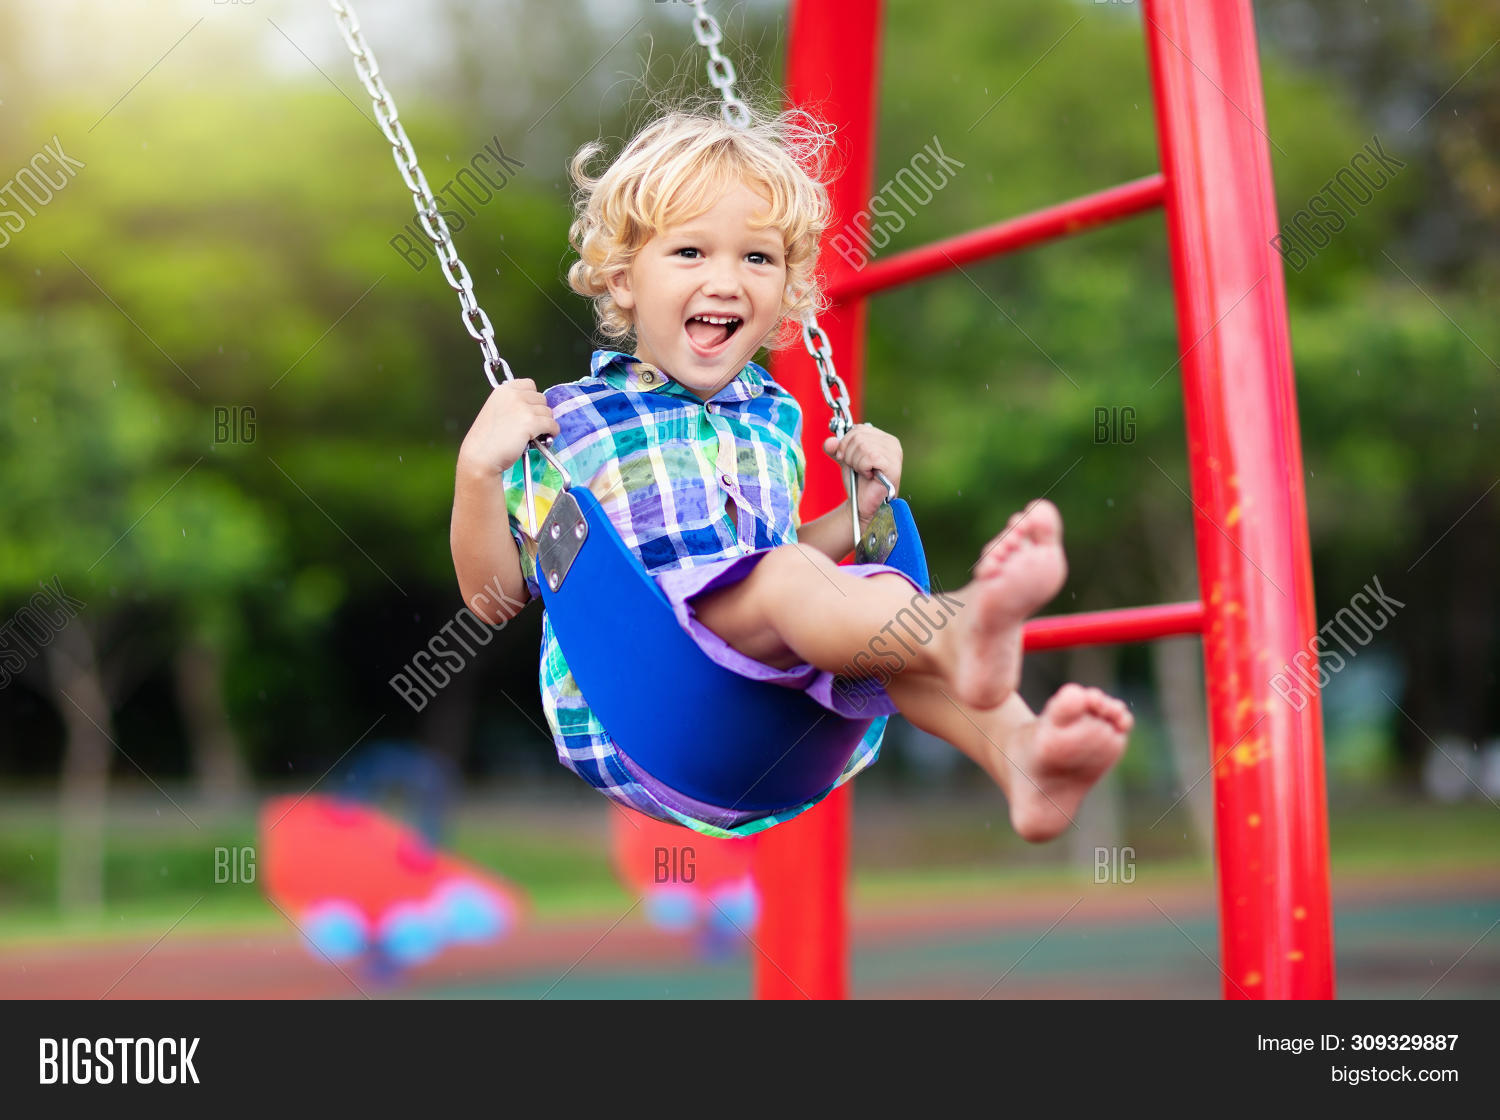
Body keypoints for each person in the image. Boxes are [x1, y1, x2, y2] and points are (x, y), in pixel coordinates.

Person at [449, 101, 1132, 839]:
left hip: (783, 717)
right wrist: (477, 473)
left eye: (757, 258)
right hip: (648, 701)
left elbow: (784, 560)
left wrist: (858, 509)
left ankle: (1025, 760)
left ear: (786, 290)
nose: (726, 280)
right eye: (690, 253)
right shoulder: (567, 424)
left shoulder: (774, 418)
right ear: (621, 279)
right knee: (815, 587)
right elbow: (495, 598)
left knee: (860, 608)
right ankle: (953, 630)